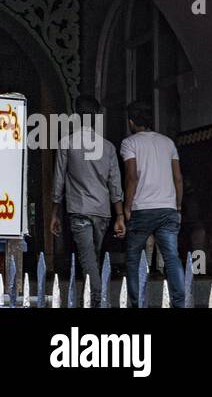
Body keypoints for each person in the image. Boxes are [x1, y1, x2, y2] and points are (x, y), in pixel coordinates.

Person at [51, 95, 125, 307]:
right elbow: (115, 185)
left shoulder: (67, 143)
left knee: (88, 260)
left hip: (80, 210)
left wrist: (54, 213)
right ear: (97, 116)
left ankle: (96, 299)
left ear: (75, 115)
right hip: (102, 212)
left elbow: (58, 183)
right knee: (92, 259)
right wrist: (120, 216)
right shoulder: (108, 147)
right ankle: (92, 300)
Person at [120, 101, 185, 307]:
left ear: (131, 121)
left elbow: (131, 177)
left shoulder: (129, 143)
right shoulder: (168, 143)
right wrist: (178, 207)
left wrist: (127, 207)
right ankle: (179, 303)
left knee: (133, 258)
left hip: (143, 209)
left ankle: (138, 303)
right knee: (172, 258)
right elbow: (178, 178)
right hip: (168, 209)